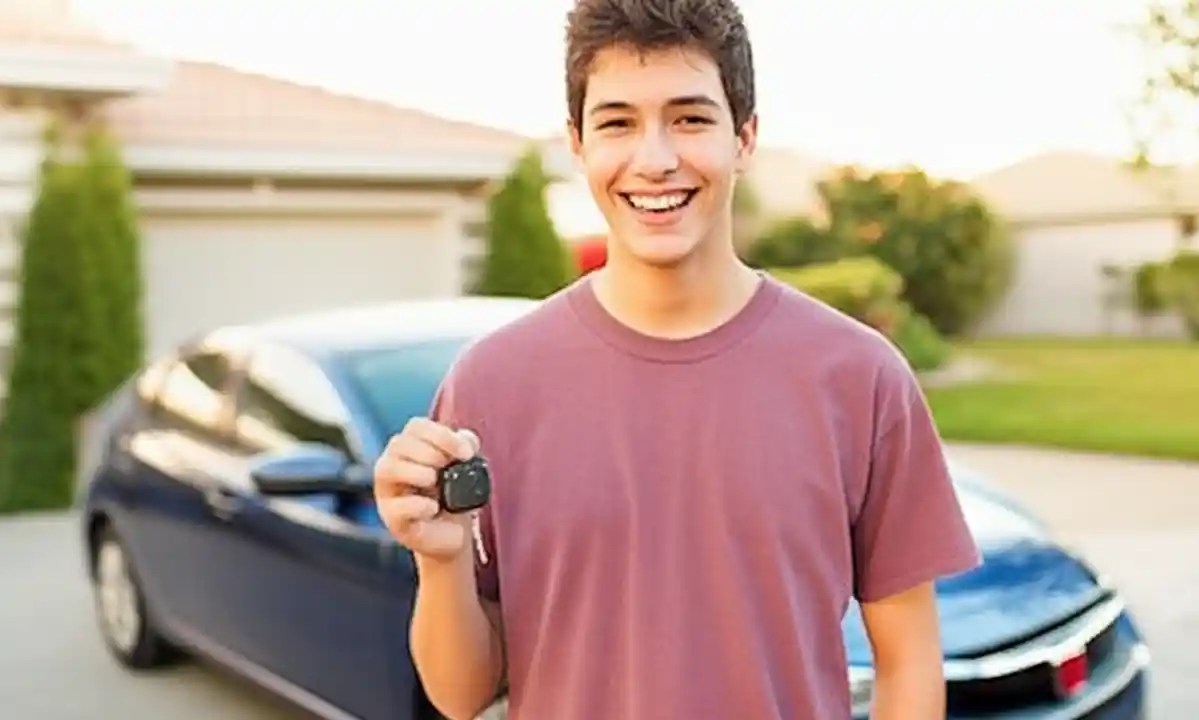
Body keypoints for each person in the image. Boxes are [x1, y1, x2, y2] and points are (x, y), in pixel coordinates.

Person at [375, 1, 982, 718]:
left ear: (745, 137)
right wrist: (439, 560)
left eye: (690, 118)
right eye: (617, 122)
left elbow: (909, 658)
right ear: (577, 144)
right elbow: (460, 693)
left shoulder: (859, 377)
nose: (655, 158)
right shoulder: (491, 383)